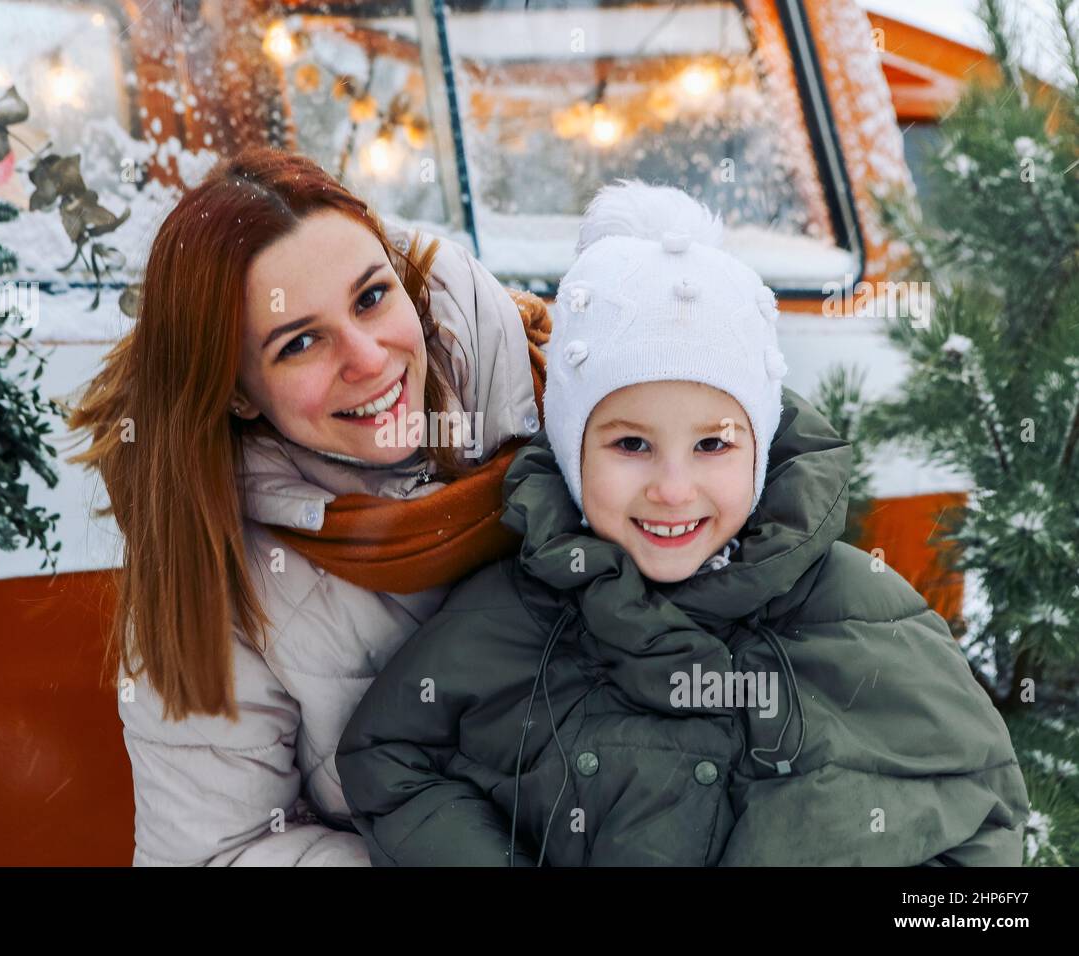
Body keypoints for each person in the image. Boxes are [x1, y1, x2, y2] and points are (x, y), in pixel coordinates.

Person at [335, 181, 1030, 865]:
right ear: (574, 452)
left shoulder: (866, 614)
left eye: (713, 444)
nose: (673, 488)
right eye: (631, 444)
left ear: (758, 449)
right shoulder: (510, 616)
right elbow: (389, 759)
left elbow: (983, 813)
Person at [67, 147, 551, 865]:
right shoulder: (212, 565)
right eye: (299, 342)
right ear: (235, 391)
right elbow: (216, 854)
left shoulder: (574, 397)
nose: (367, 358)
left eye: (371, 298)